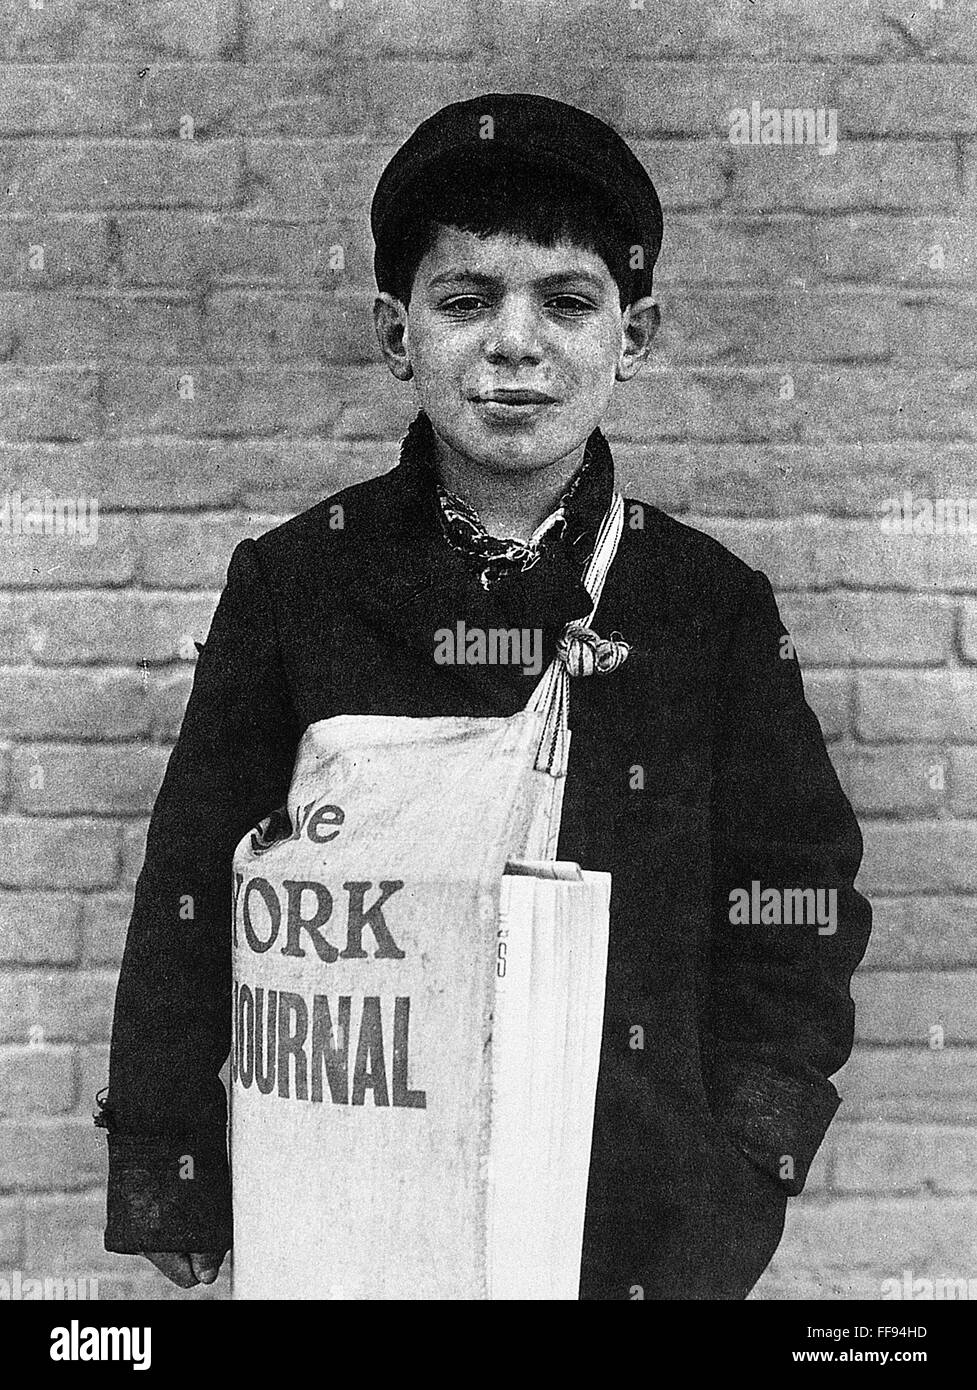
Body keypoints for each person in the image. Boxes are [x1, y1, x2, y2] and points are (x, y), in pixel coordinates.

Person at [97, 93, 872, 1300]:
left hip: (629, 1211)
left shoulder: (703, 607)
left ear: (637, 333)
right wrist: (171, 1158)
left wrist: (745, 1155)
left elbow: (796, 893)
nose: (515, 345)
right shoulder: (299, 582)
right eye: (465, 301)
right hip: (353, 1184)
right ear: (396, 335)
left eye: (566, 302)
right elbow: (193, 881)